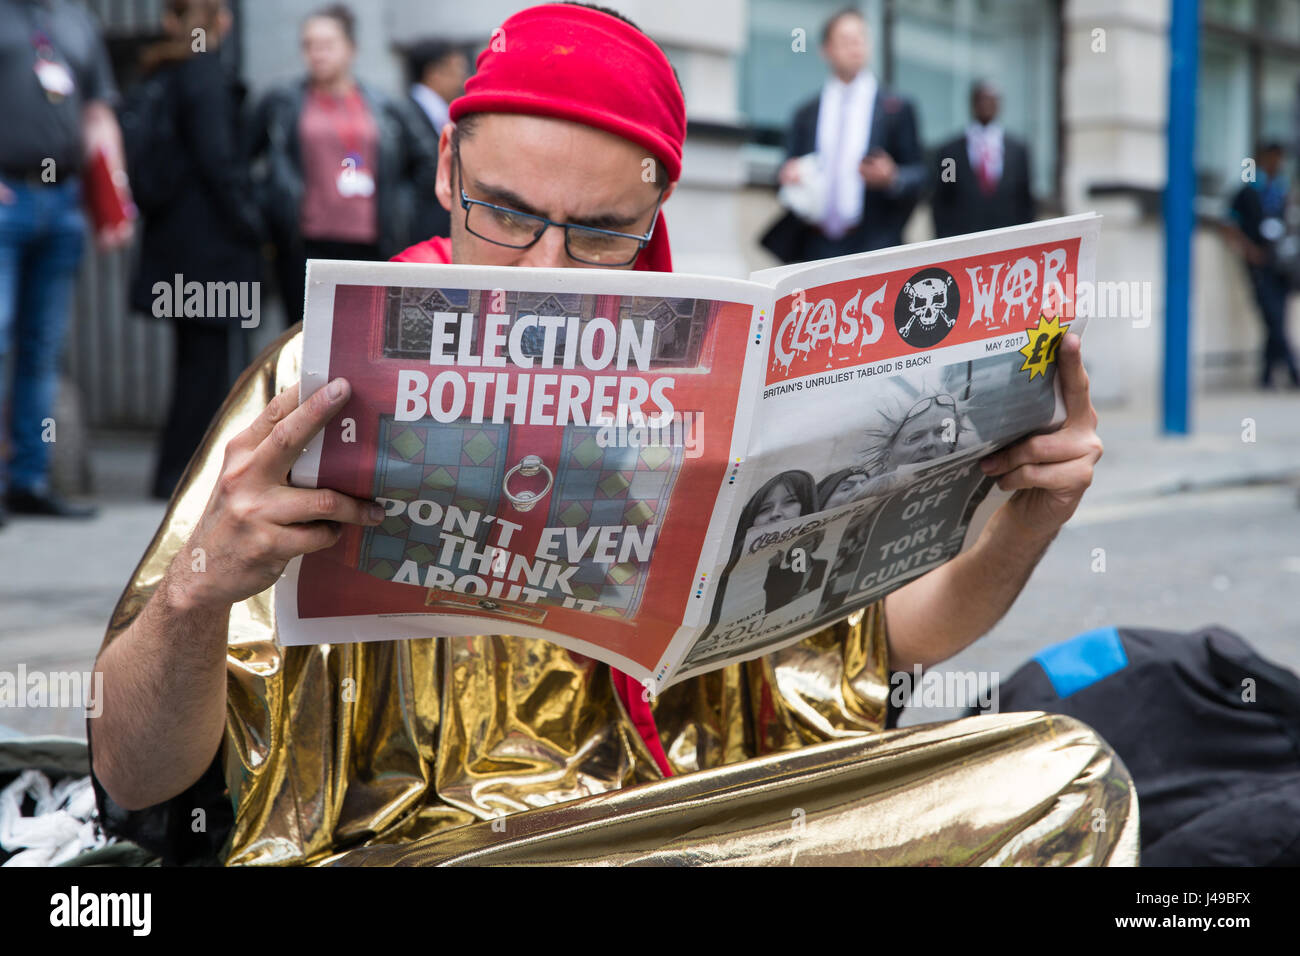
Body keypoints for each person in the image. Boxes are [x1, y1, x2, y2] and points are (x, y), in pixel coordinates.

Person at [89, 2, 1129, 867]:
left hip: (697, 828)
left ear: (657, 207)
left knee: (1059, 767)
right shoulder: (315, 378)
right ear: (448, 167)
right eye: (504, 214)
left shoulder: (709, 393)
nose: (543, 270)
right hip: (446, 851)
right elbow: (135, 777)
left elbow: (891, 642)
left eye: (597, 234)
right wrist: (196, 593)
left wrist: (1029, 514)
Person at [127, 0, 264, 501]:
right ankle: (185, 477)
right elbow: (219, 163)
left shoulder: (168, 72)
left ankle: (174, 473)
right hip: (209, 254)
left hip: (179, 252)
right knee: (206, 369)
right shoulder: (204, 76)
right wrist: (253, 225)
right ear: (220, 21)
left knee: (195, 365)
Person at [0, 0, 131, 525]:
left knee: (43, 348)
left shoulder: (76, 20)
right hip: (8, 196)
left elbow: (98, 112)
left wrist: (115, 199)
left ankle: (28, 480)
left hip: (65, 202)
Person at [251, 3, 438, 327]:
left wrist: (403, 207)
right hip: (305, 244)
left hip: (372, 244)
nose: (316, 54)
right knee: (304, 337)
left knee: (366, 337)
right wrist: (268, 209)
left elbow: (427, 159)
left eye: (326, 45)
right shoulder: (283, 103)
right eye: (308, 45)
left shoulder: (383, 105)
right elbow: (241, 162)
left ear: (351, 49)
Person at [760, 7, 925, 264]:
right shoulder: (807, 112)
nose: (855, 47)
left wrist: (892, 177)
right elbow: (783, 171)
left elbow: (920, 175)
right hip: (813, 246)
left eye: (860, 38)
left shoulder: (896, 108)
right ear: (826, 50)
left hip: (872, 245)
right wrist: (788, 174)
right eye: (846, 40)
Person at [1223, 141, 1300, 390]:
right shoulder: (1248, 192)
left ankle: (1266, 376)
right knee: (1273, 317)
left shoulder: (1282, 191)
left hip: (1282, 265)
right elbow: (1229, 224)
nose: (1276, 164)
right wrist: (1250, 251)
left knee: (1276, 319)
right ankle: (1293, 371)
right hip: (1260, 265)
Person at [930, 79, 1036, 238]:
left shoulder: (1018, 151)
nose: (986, 104)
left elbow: (1025, 199)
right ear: (972, 103)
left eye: (992, 99)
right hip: (963, 238)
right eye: (982, 99)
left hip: (1007, 238)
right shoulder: (950, 153)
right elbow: (943, 198)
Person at [405, 39, 469, 242]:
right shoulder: (401, 113)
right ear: (434, 72)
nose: (463, 80)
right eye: (457, 70)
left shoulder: (444, 114)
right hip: (416, 231)